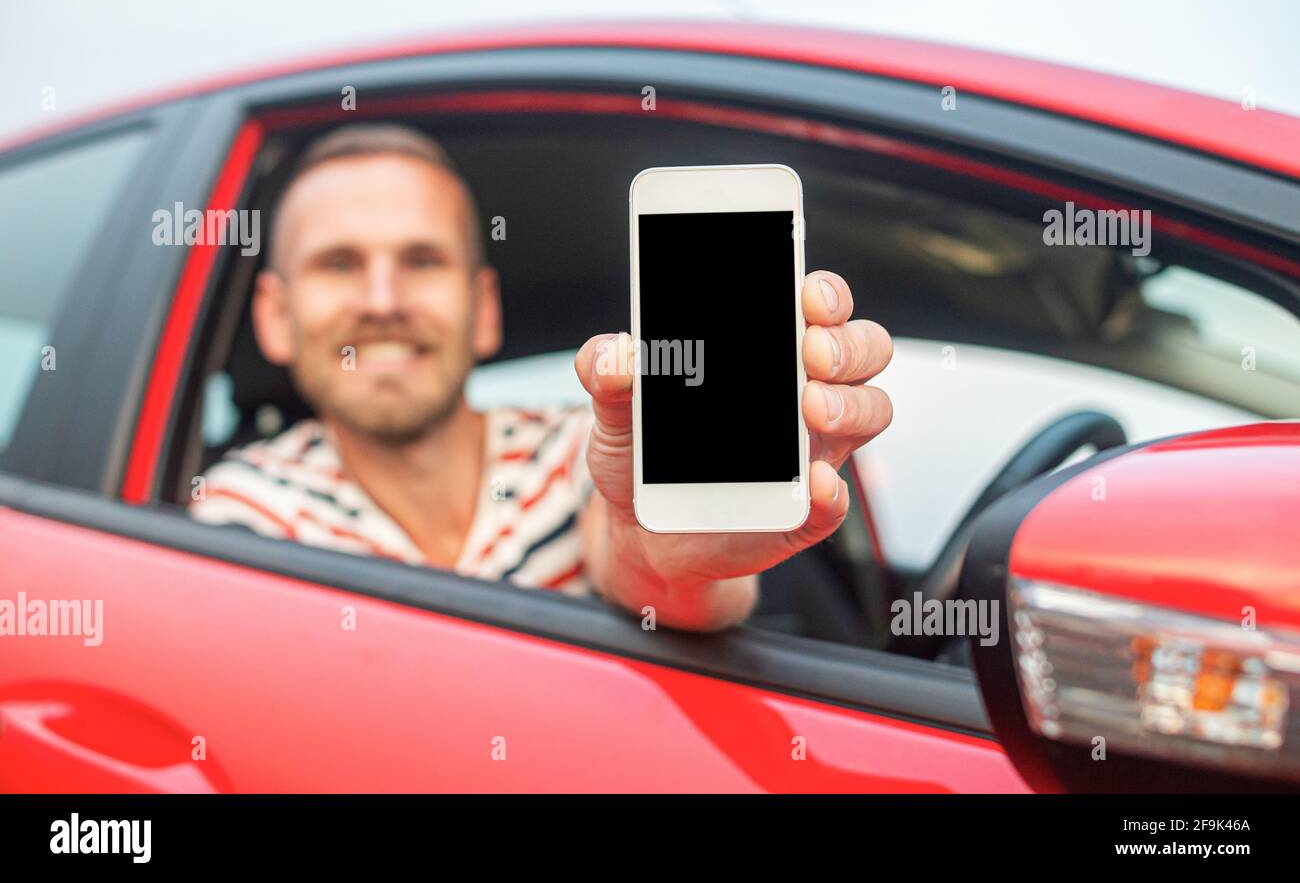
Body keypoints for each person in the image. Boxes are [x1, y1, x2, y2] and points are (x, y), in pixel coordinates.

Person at [189, 123, 893, 631]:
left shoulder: (577, 450)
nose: (382, 300)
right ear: (276, 315)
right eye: (339, 264)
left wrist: (668, 560)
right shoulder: (241, 520)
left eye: (423, 261)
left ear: (485, 308)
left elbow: (646, 563)